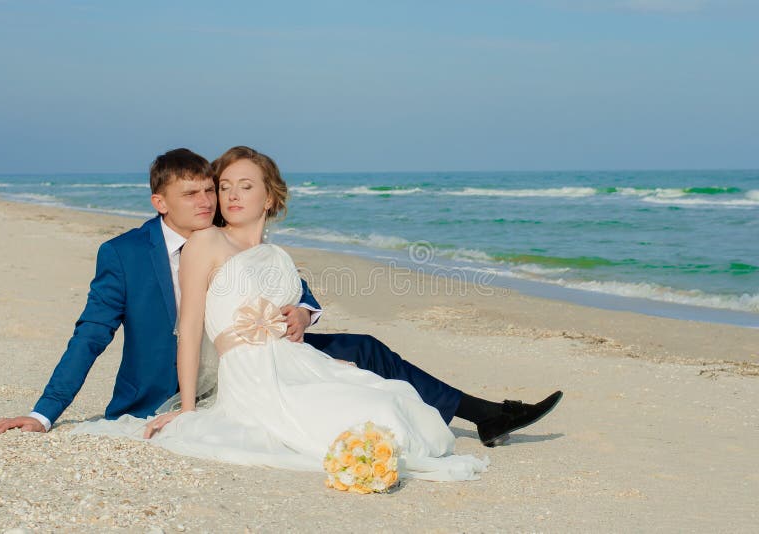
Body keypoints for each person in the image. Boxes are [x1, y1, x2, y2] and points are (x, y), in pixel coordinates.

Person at [0, 148, 562, 446]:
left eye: (211, 191)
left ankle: (485, 414)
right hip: (174, 385)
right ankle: (480, 415)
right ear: (160, 201)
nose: (208, 202)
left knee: (363, 347)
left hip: (259, 355)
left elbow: (288, 285)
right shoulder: (124, 254)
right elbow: (91, 334)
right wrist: (44, 414)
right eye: (192, 194)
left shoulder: (230, 239)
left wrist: (302, 312)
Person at [73, 145, 491, 481]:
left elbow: (298, 303)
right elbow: (189, 329)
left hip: (293, 362)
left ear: (269, 197)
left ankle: (482, 414)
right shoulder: (206, 244)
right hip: (248, 378)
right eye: (225, 187)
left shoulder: (278, 256)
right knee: (372, 416)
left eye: (245, 186)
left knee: (388, 402)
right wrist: (186, 410)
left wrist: (304, 315)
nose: (231, 195)